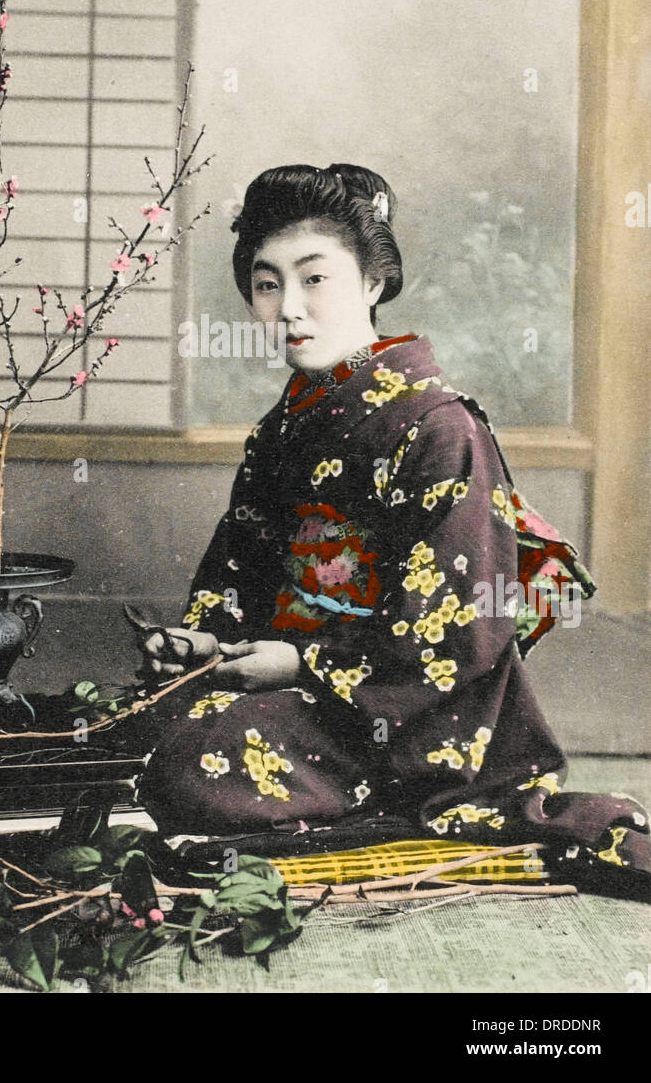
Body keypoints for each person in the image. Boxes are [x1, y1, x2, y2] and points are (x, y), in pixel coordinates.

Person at [136, 164, 650, 889]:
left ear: (373, 284)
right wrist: (204, 642)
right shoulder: (284, 429)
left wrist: (302, 664)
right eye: (265, 283)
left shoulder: (439, 430)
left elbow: (459, 631)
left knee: (191, 768)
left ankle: (384, 812)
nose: (288, 308)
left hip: (410, 716)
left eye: (314, 279)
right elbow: (238, 574)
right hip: (299, 689)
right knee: (140, 731)